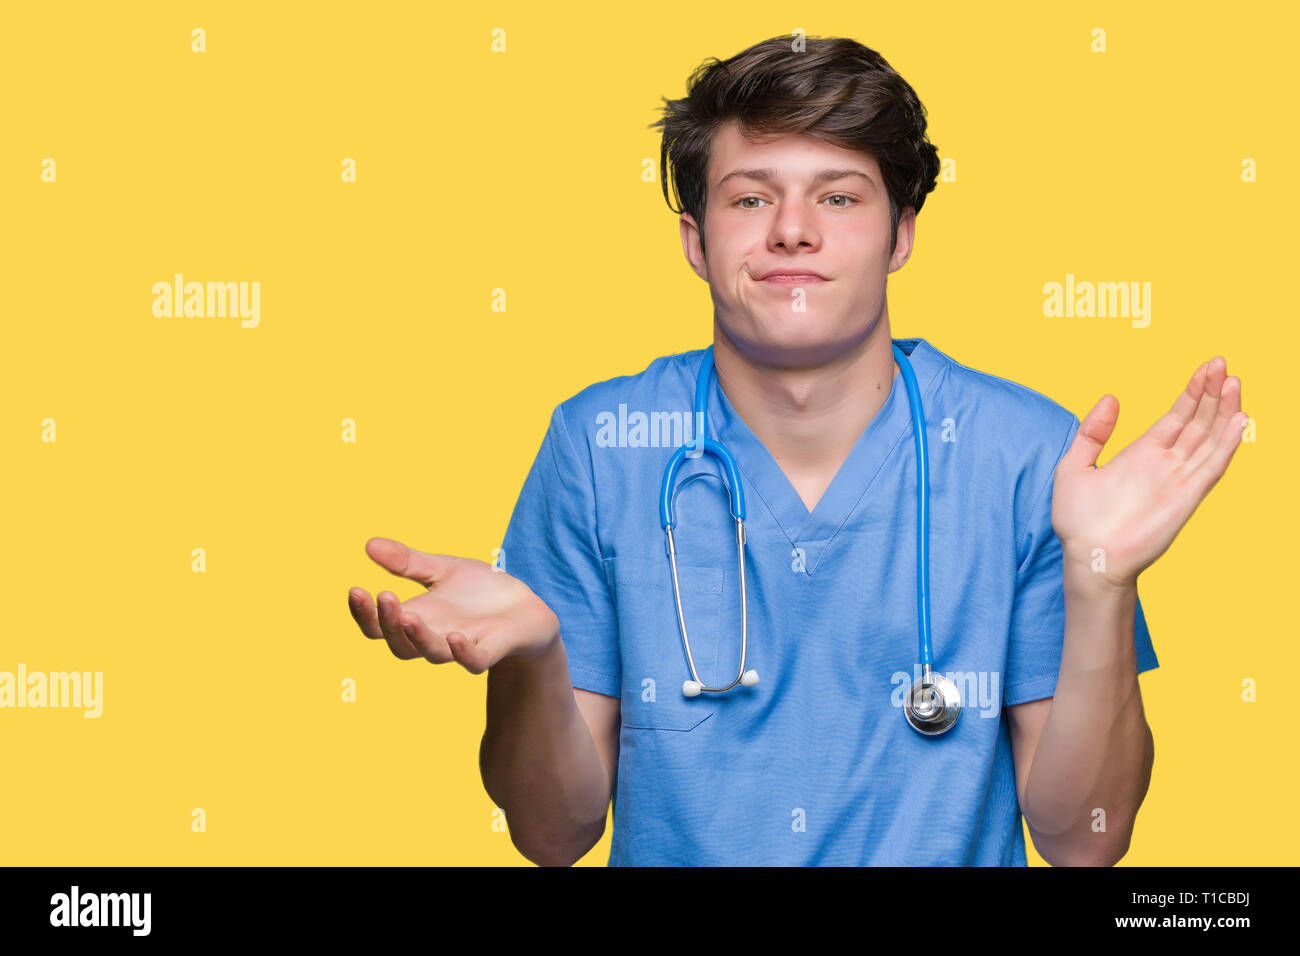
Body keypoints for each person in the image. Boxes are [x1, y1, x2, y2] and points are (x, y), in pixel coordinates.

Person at [347, 35, 1247, 866]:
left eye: (839, 196)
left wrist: (1100, 583)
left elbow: (1083, 841)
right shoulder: (598, 446)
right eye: (750, 197)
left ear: (899, 235)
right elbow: (551, 835)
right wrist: (534, 660)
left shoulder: (1030, 458)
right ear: (698, 243)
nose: (792, 230)